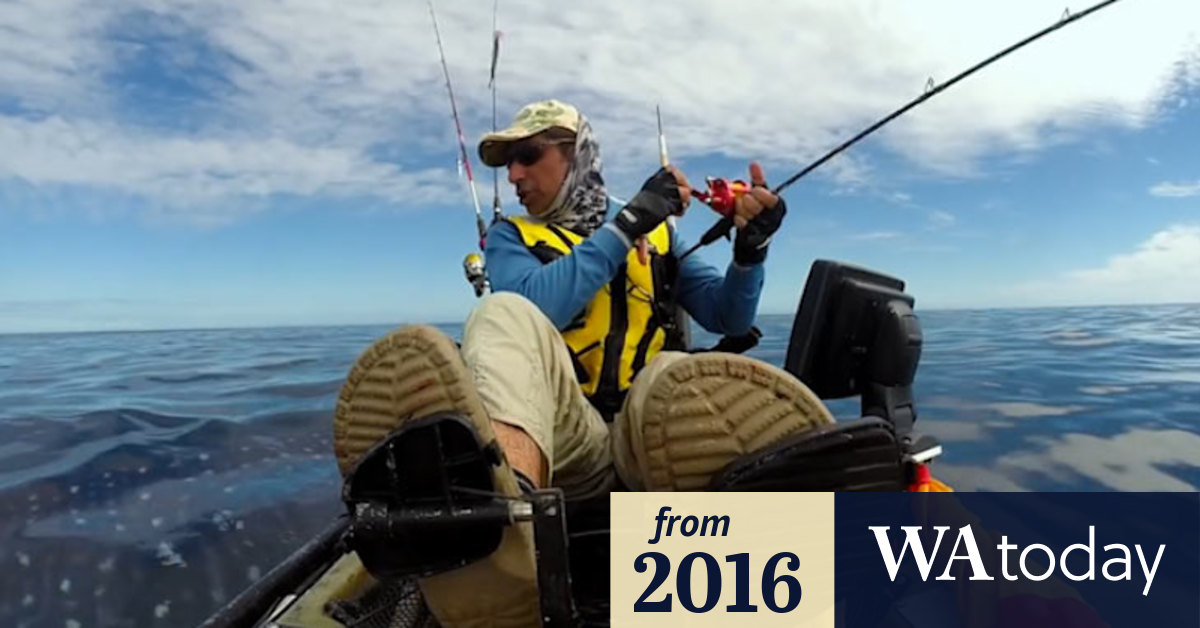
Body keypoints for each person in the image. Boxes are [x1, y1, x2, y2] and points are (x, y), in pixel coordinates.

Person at [332, 100, 835, 627]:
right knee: (500, 311)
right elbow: (535, 305)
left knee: (672, 374)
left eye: (528, 155)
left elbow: (728, 316)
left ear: (579, 155)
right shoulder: (512, 237)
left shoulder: (663, 233)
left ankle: (721, 540)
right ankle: (508, 534)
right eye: (508, 164)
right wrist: (625, 228)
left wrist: (751, 251)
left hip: (651, 435)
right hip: (575, 444)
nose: (516, 174)